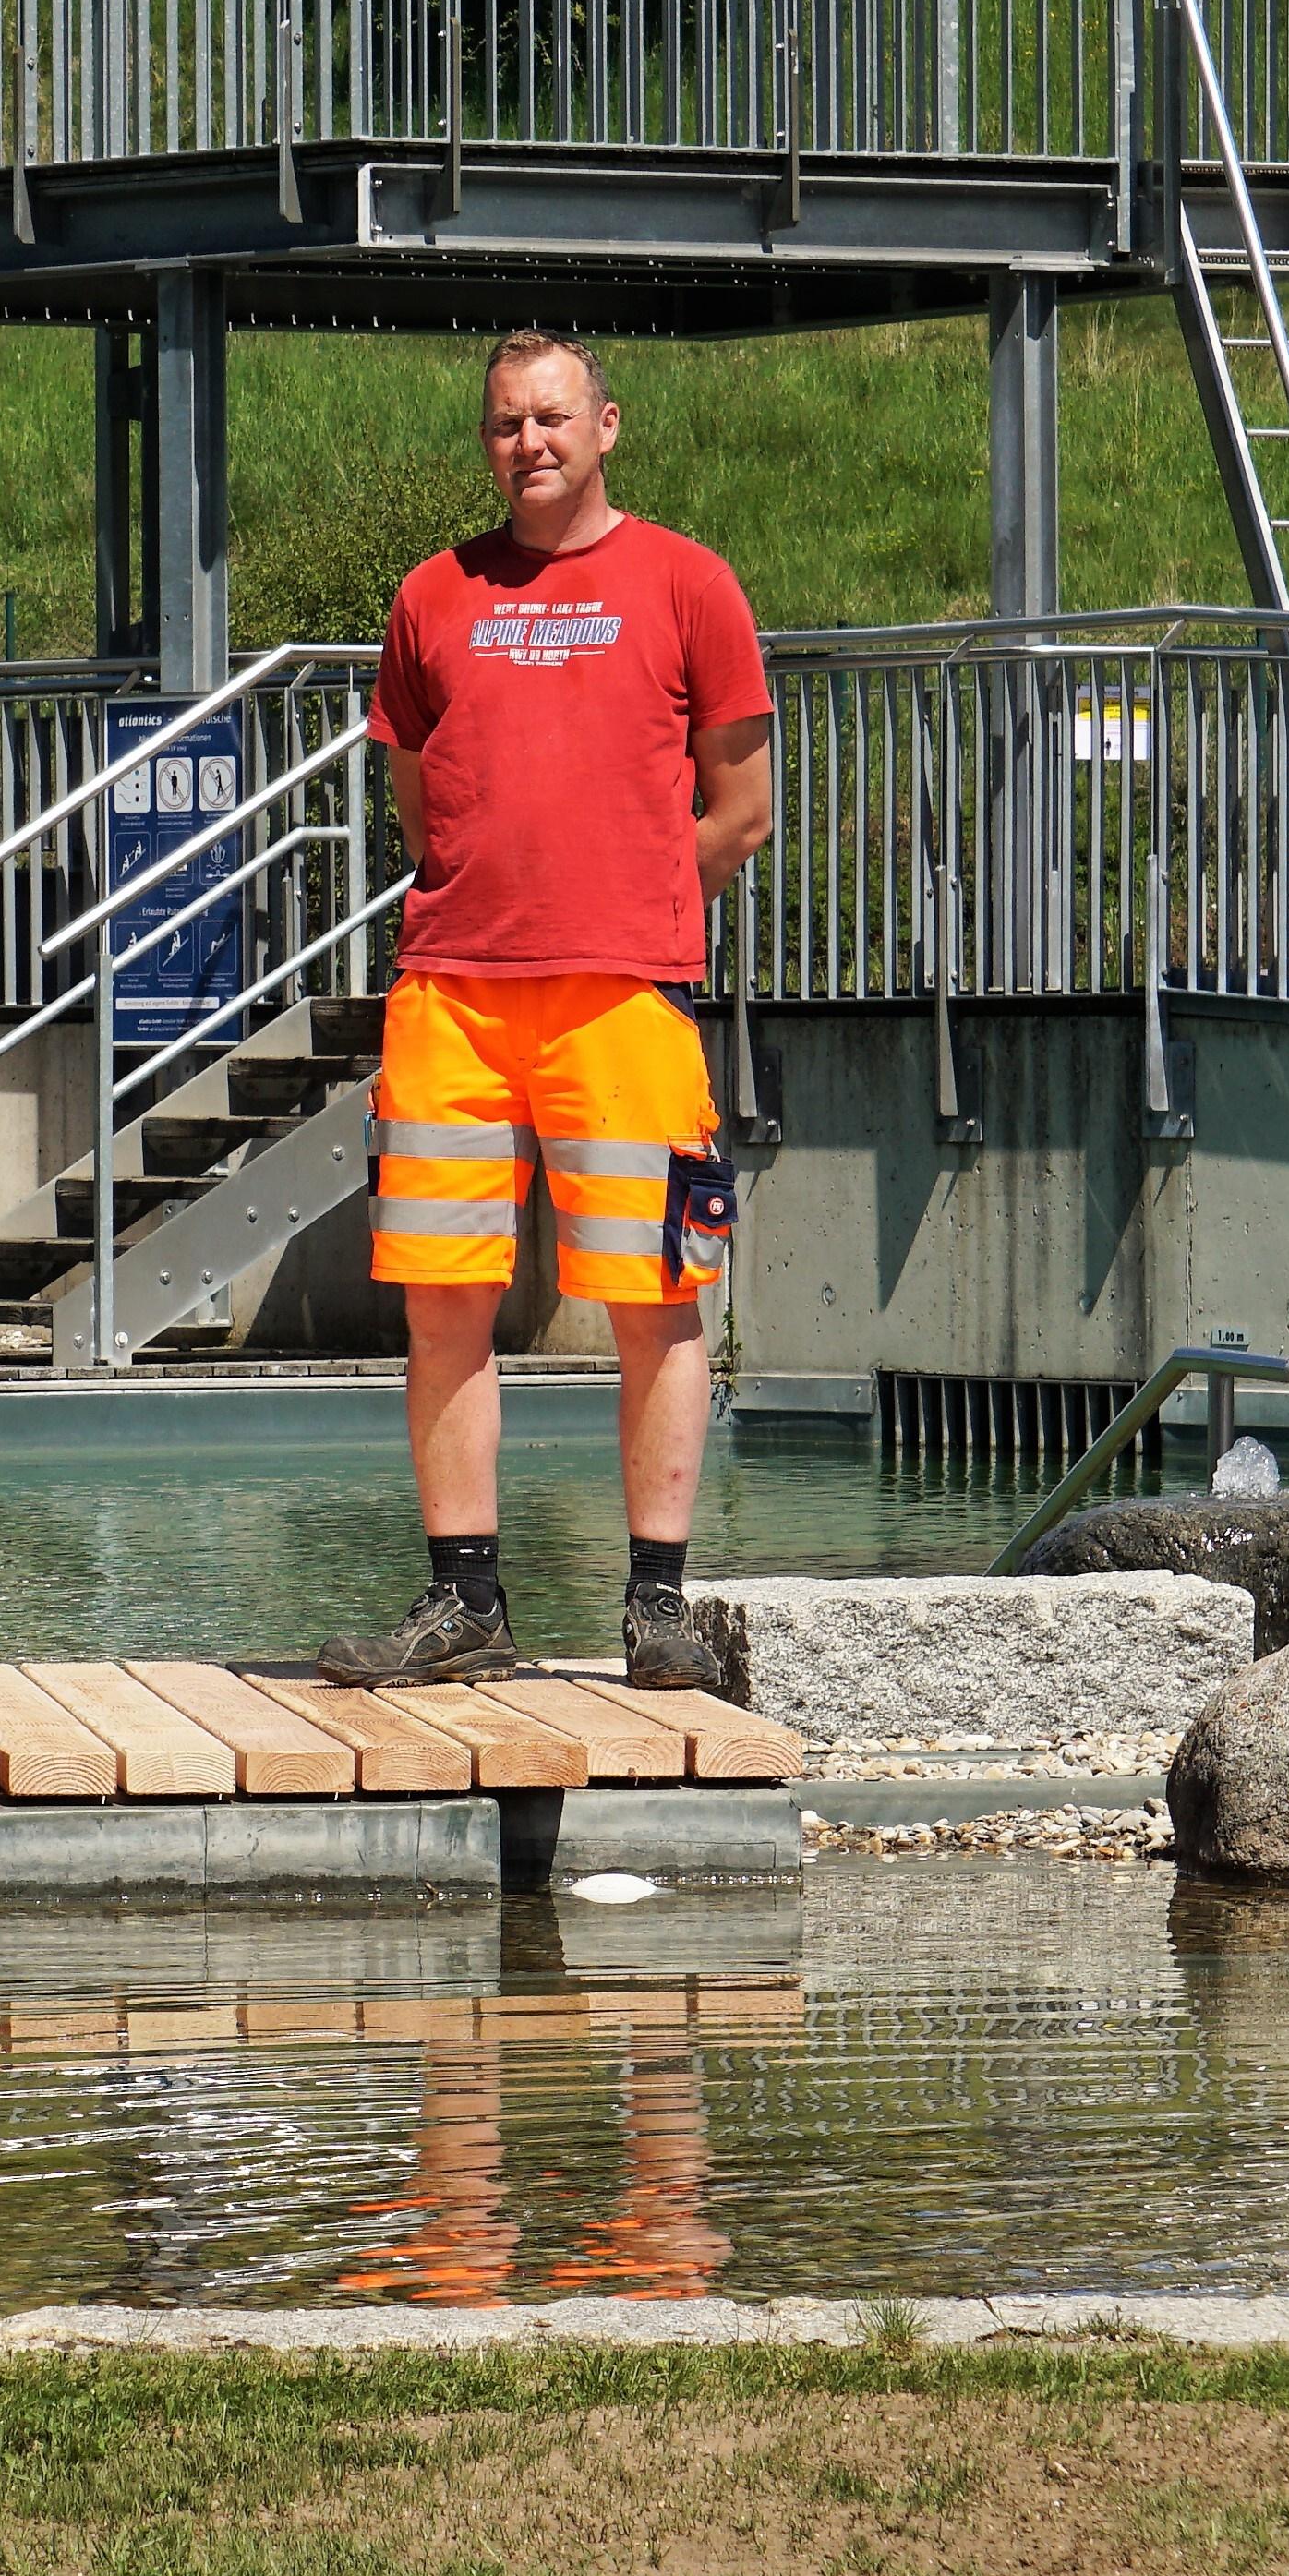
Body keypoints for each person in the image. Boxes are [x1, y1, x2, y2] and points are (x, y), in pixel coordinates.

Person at [323, 330, 775, 1693]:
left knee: (653, 1299)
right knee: (441, 1307)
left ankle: (656, 1607)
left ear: (606, 426)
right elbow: (414, 795)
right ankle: (464, 1602)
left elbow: (739, 809)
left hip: (621, 1001)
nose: (530, 443)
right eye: (506, 423)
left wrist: (619, 893)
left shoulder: (688, 583)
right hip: (452, 996)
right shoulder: (430, 593)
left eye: (553, 417)